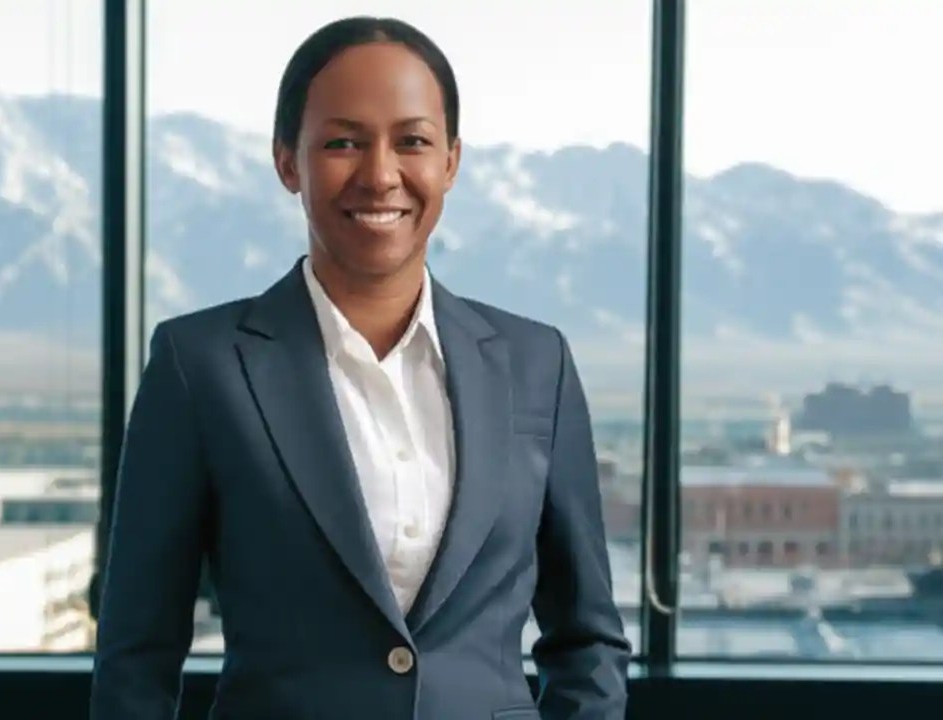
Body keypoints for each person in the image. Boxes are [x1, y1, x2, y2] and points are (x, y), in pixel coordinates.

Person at [90, 15, 631, 720]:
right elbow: (136, 655)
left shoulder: (536, 364)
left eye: (412, 141)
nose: (380, 175)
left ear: (451, 162)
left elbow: (587, 639)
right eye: (343, 142)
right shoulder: (200, 367)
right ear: (288, 162)